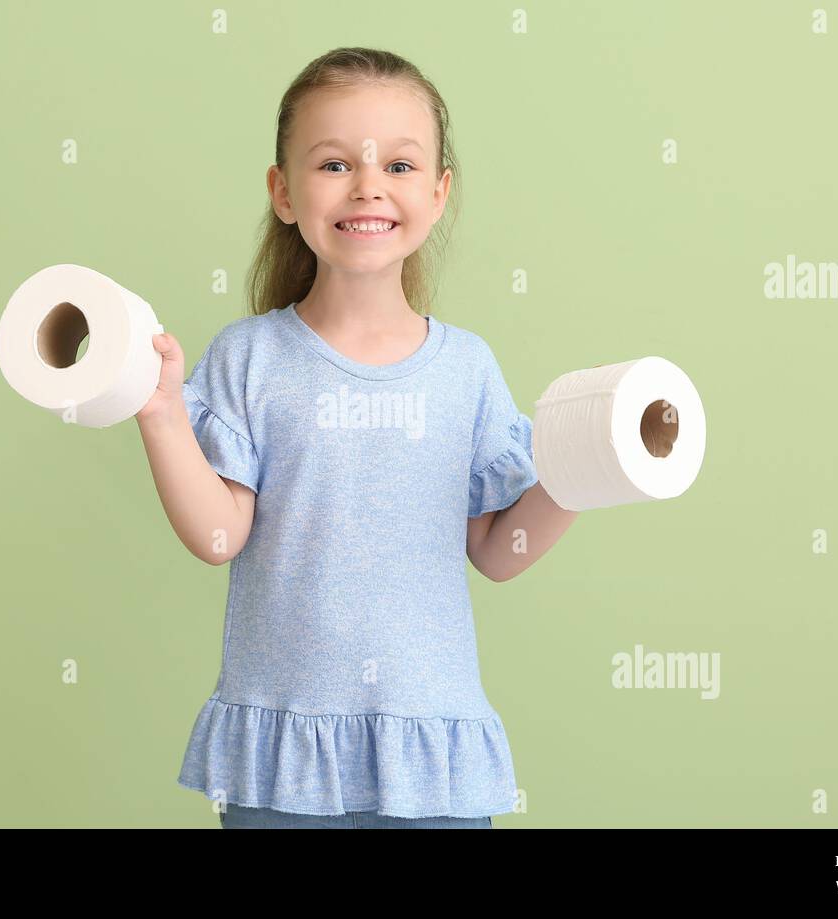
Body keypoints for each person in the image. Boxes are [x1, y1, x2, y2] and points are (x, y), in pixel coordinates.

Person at [134, 47, 580, 829]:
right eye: (336, 162)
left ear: (439, 195)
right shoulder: (251, 357)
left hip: (430, 763)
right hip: (284, 763)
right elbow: (217, 534)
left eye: (400, 166)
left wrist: (583, 472)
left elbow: (496, 550)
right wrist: (163, 413)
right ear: (283, 191)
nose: (369, 184)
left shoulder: (467, 369)